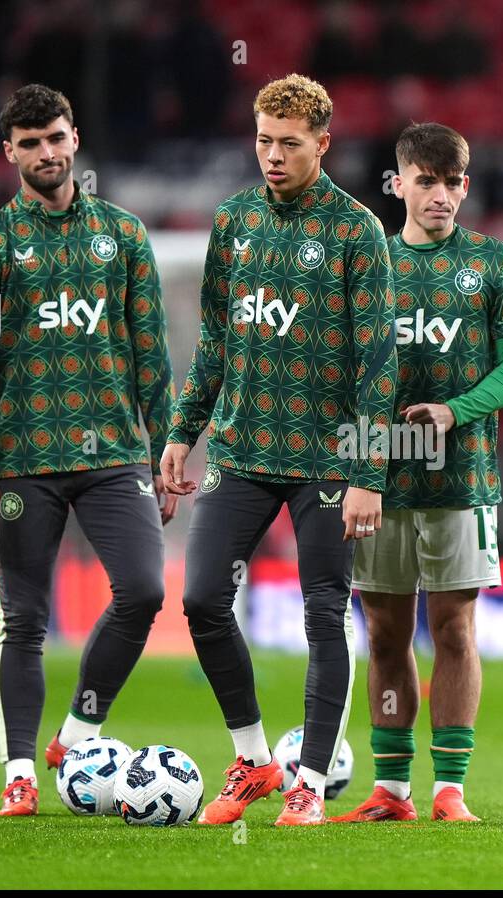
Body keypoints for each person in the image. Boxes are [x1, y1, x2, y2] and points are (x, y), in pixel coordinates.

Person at [160, 74, 396, 827]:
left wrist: (367, 474)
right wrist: (180, 431)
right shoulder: (232, 222)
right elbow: (216, 346)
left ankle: (310, 782)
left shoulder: (357, 231)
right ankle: (256, 758)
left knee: (323, 614)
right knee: (200, 600)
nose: (271, 155)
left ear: (322, 144)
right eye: (263, 139)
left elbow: (378, 366)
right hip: (241, 447)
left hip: (327, 462)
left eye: (288, 143)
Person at [0, 84, 178, 816]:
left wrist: (169, 450)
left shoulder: (124, 234)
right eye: (30, 142)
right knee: (22, 621)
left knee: (144, 591)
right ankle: (19, 771)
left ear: (74, 138)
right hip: (23, 460)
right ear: (9, 152)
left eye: (55, 137)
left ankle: (77, 734)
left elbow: (152, 354)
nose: (46, 152)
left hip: (116, 452)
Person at [331, 123, 503, 823]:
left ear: (465, 187)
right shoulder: (370, 264)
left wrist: (454, 410)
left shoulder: (493, 262)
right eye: (426, 181)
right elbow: (345, 374)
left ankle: (450, 788)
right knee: (384, 635)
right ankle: (392, 790)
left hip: (462, 480)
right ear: (399, 185)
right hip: (381, 482)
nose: (441, 195)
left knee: (454, 629)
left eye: (452, 183)